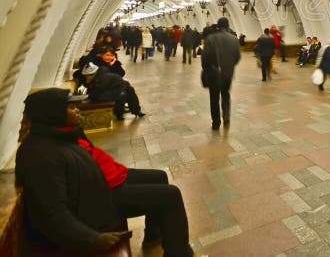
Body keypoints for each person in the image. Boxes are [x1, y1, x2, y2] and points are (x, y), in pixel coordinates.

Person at [16, 88, 202, 257]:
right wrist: (92, 238)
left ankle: (153, 237)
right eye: (71, 108)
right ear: (52, 114)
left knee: (159, 176)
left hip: (103, 181)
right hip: (100, 199)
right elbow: (53, 213)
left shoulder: (60, 135)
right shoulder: (42, 156)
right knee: (171, 196)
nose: (78, 110)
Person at [201, 17, 241, 130]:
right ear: (228, 26)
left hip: (214, 73)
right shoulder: (234, 39)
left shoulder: (210, 38)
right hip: (228, 73)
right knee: (226, 94)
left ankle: (216, 123)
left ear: (218, 26)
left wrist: (206, 70)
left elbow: (205, 57)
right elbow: (237, 57)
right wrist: (230, 66)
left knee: (214, 98)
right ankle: (226, 115)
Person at [79, 62, 145, 120]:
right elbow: (97, 91)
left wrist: (88, 96)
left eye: (87, 76)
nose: (86, 77)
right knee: (125, 93)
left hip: (118, 87)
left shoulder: (101, 78)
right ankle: (128, 112)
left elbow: (98, 90)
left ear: (92, 74)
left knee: (125, 93)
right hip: (115, 88)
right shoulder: (98, 77)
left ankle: (133, 111)